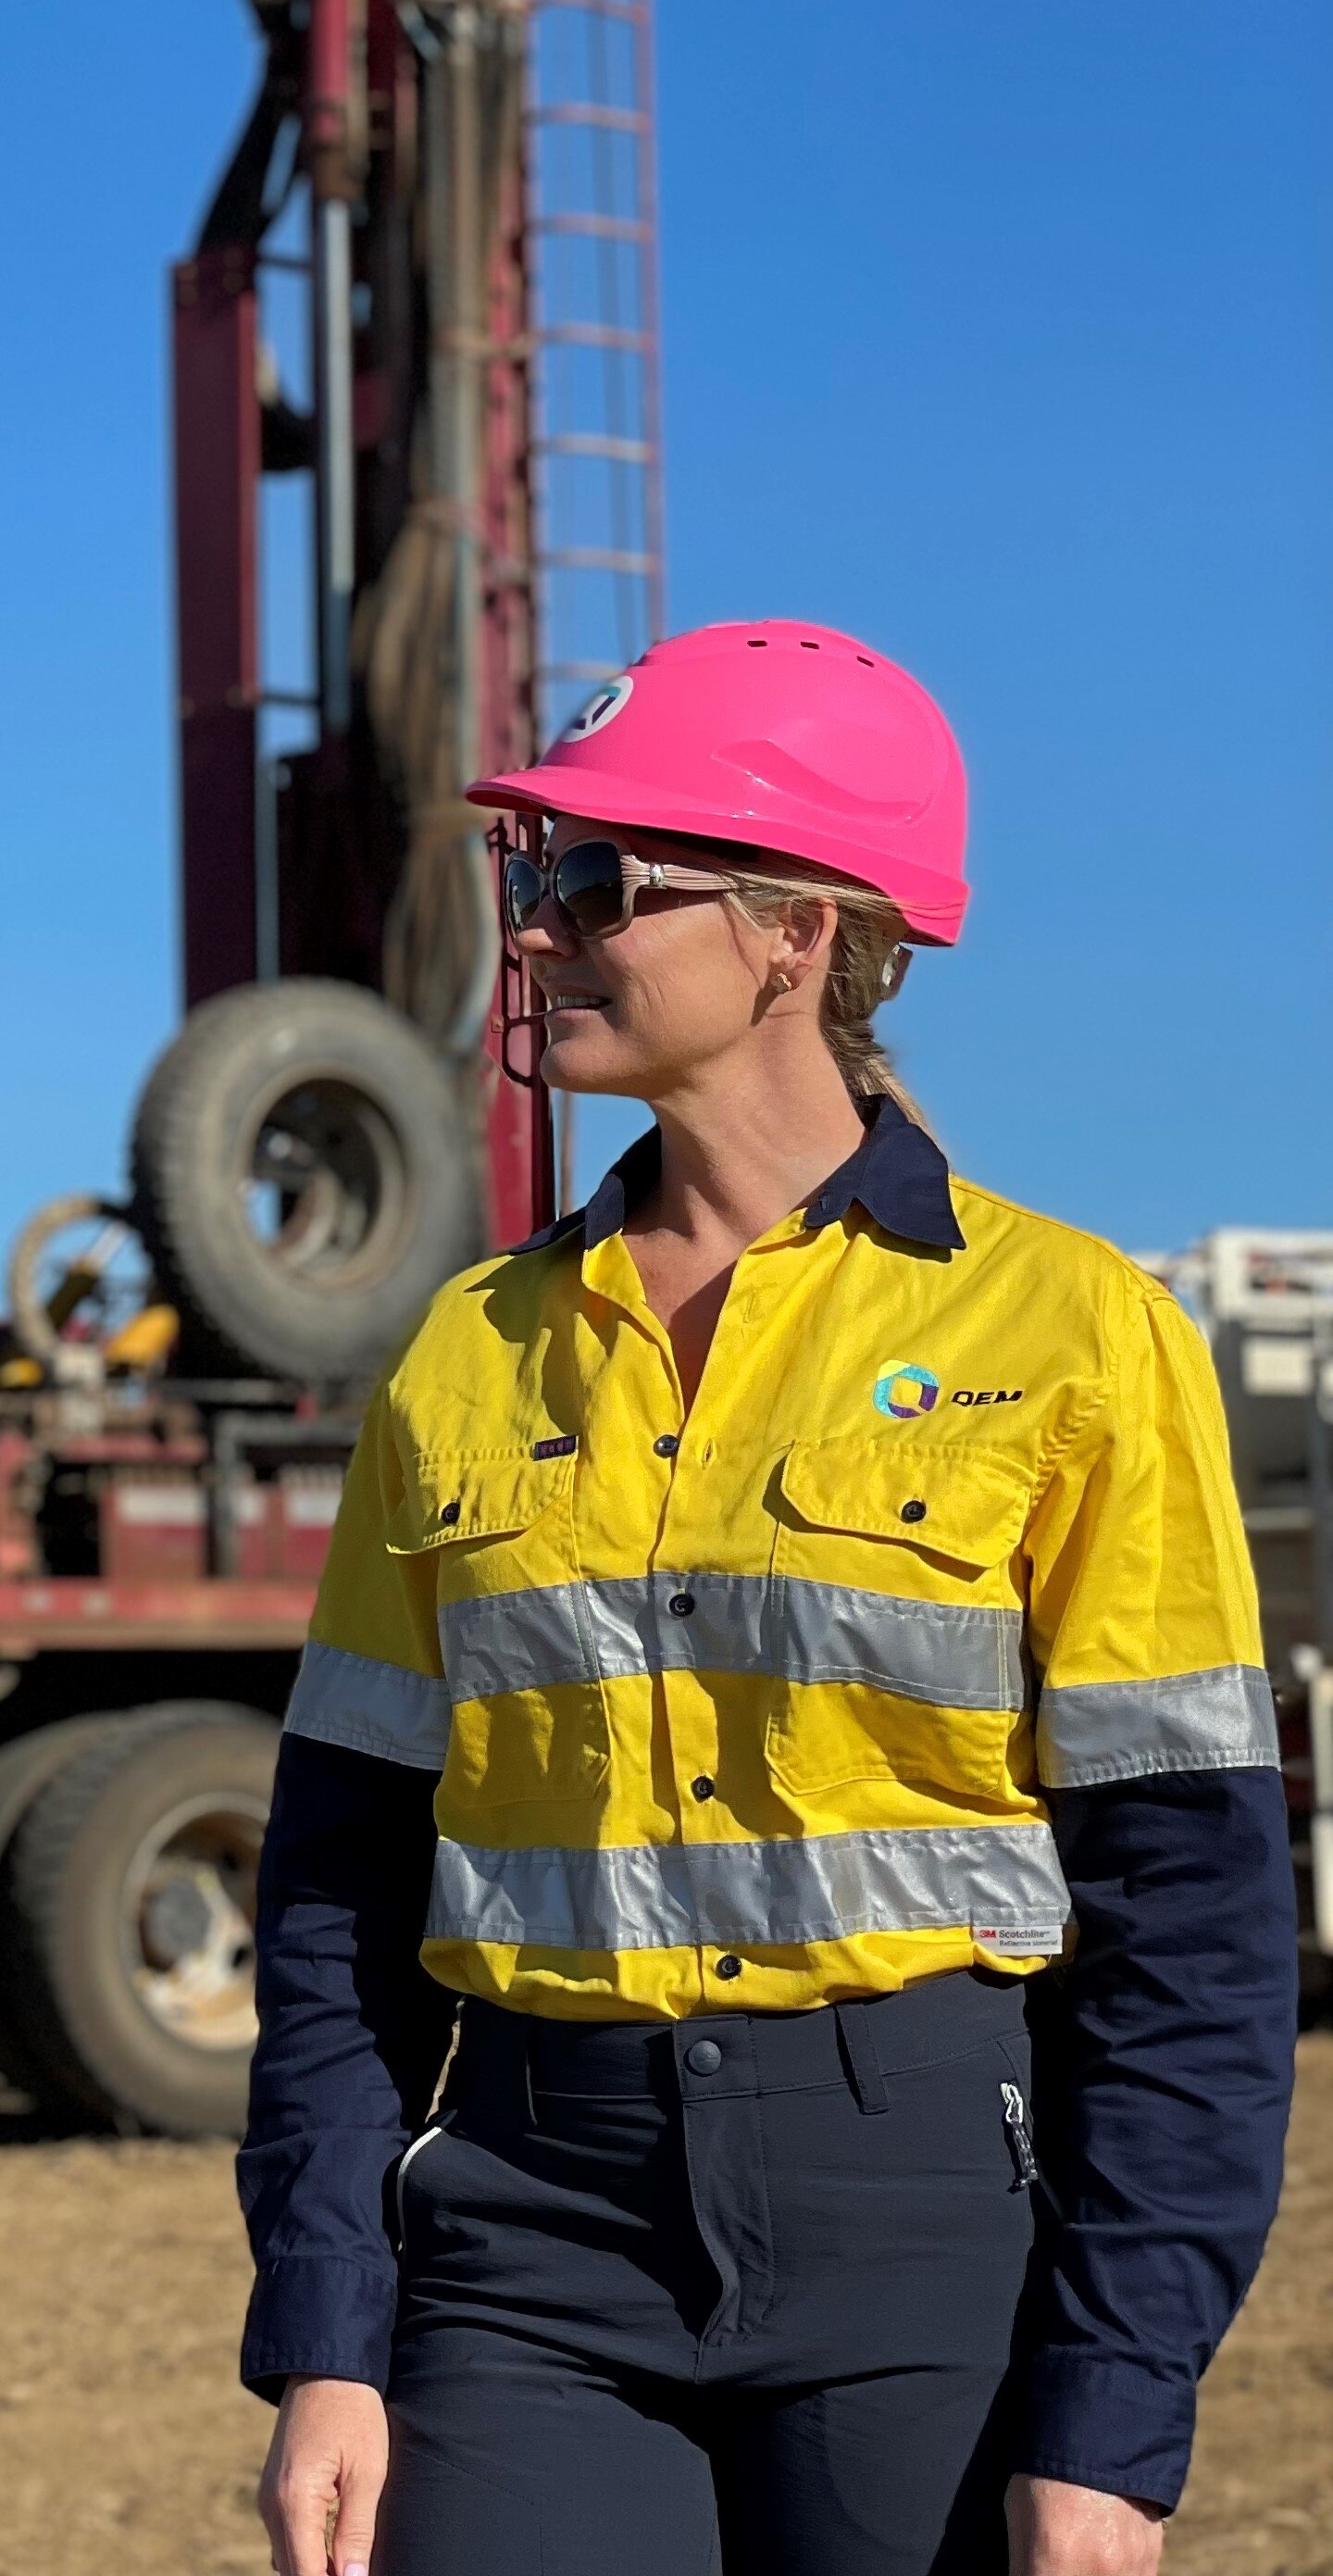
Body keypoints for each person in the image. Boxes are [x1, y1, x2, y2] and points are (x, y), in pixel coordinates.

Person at [241, 620, 1297, 2576]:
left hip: (929, 2231)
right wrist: (325, 2329)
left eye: (594, 881)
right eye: (534, 874)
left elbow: (1194, 1924)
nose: (536, 929)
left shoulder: (1077, 1335)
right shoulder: (464, 1354)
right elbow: (338, 1893)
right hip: (528, 2231)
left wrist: (1113, 2414)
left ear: (795, 933)